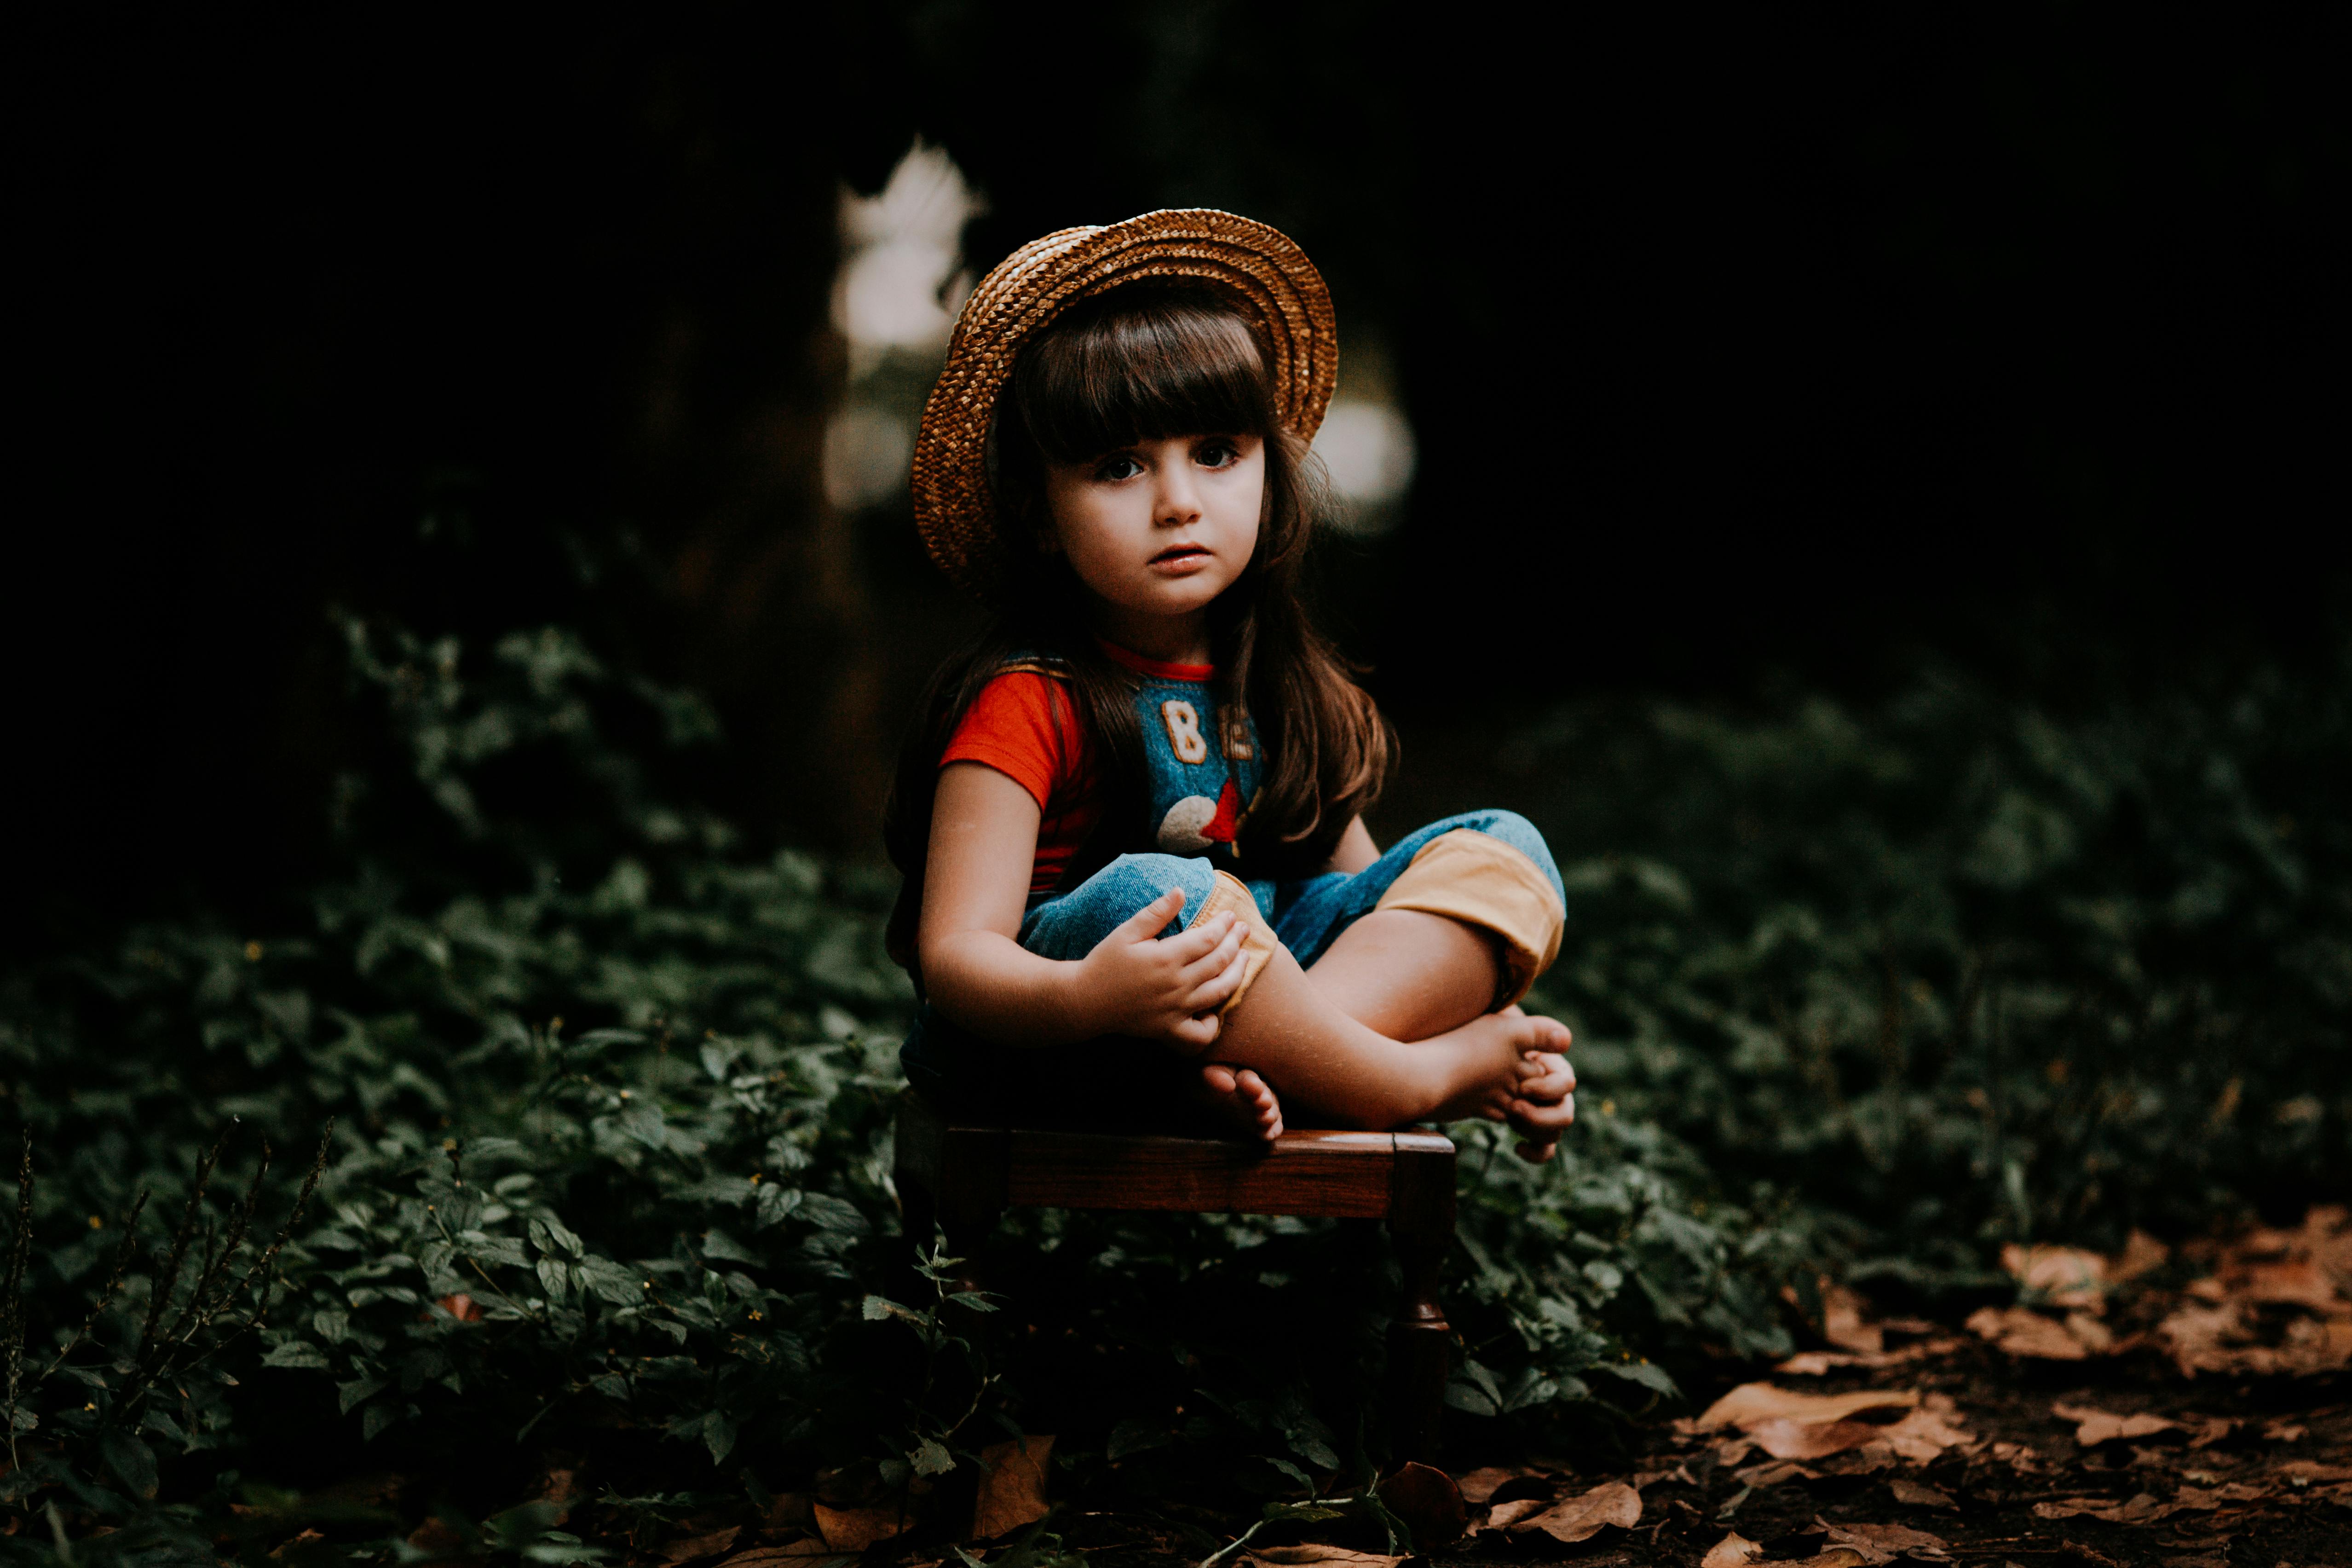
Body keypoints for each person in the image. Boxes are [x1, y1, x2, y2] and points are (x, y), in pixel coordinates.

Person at [883, 211, 1575, 1160]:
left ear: (1267, 469)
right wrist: (1093, 995)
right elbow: (957, 960)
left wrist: (1465, 982)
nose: (1178, 503)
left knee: (1504, 852)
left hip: (1232, 1018)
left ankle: (1271, 1069)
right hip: (1064, 1034)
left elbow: (1370, 909)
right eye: (1119, 468)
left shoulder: (1282, 687)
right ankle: (1399, 1080)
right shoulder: (1027, 700)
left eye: (1217, 453)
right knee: (1173, 895)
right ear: (1039, 513)